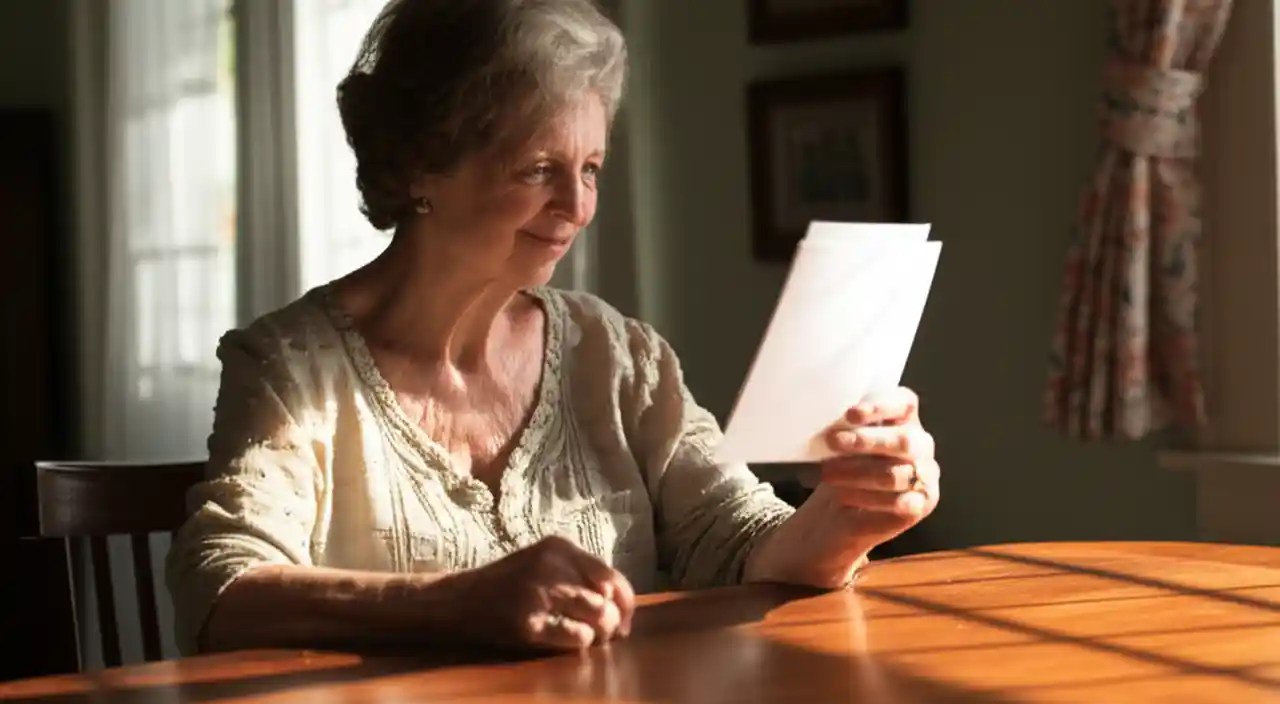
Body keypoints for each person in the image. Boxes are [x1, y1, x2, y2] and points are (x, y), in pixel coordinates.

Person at [166, 0, 941, 656]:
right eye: (539, 168)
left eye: (592, 168)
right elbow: (223, 591)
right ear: (417, 167)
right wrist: (454, 603)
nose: (577, 207)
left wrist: (848, 518)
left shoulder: (618, 355)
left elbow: (737, 542)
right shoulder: (292, 368)